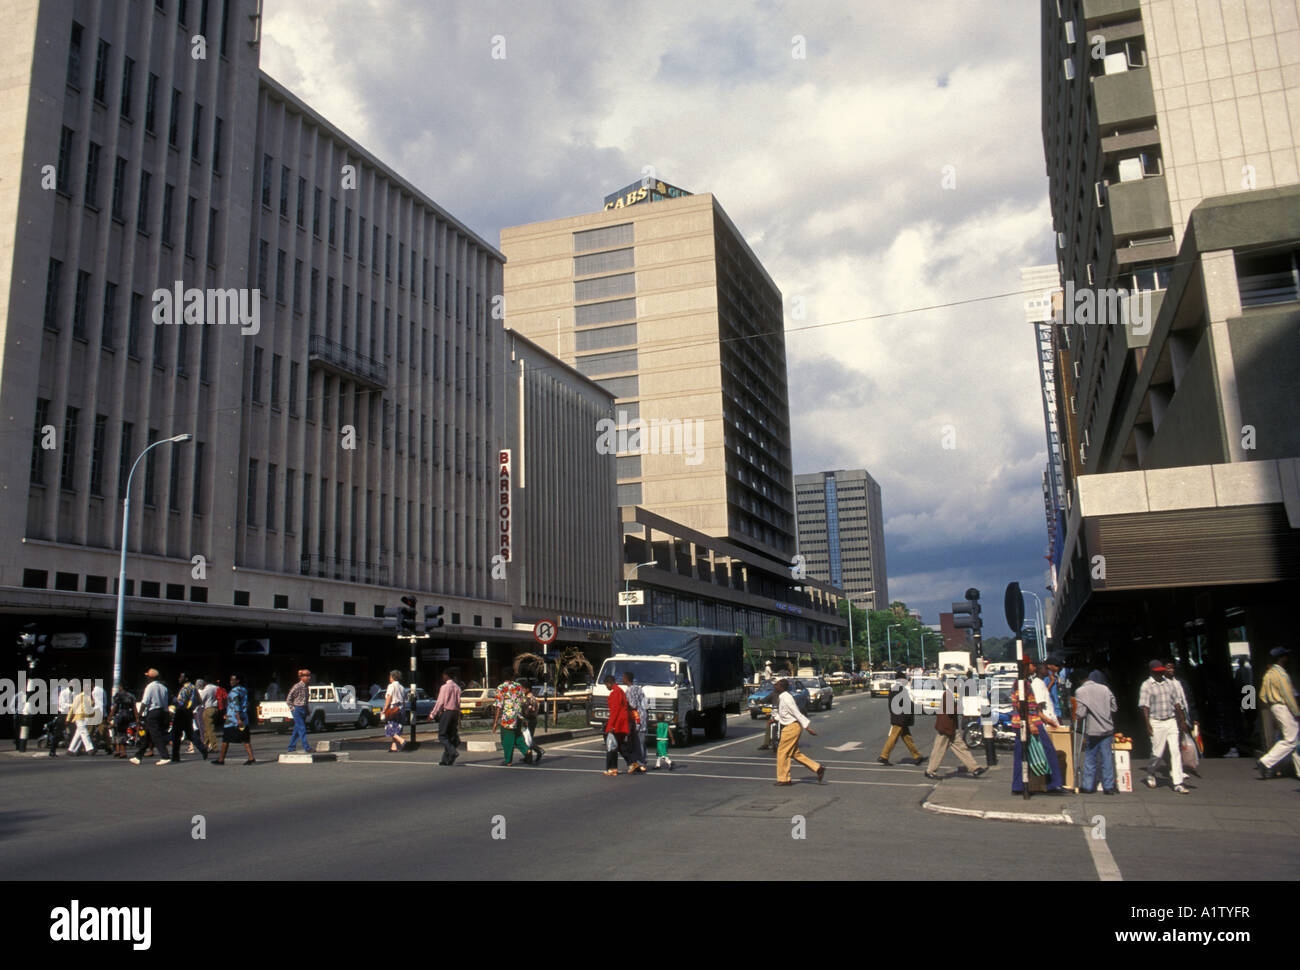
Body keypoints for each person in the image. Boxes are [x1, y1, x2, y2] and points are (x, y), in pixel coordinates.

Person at [1010, 658, 1064, 794]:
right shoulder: (1022, 684)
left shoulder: (1025, 682)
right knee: (1048, 750)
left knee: (1021, 754)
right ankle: (1054, 783)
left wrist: (1047, 719)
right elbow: (1020, 705)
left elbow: (1032, 706)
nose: (1035, 668)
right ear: (1026, 666)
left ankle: (1018, 786)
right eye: (1033, 665)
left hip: (1025, 721)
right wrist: (1030, 723)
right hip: (1029, 722)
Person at [1139, 659, 1189, 794]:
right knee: (1157, 752)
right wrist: (1148, 725)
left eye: (1161, 672)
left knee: (1175, 751)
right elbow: (1145, 707)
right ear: (1151, 672)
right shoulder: (1146, 685)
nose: (1159, 675)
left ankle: (1178, 782)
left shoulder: (1169, 684)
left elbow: (1177, 703)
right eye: (1156, 673)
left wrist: (1182, 721)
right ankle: (1151, 772)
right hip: (1156, 721)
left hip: (1171, 720)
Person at [1256, 647, 1299, 780]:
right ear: (1281, 658)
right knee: (1291, 740)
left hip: (1274, 707)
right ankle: (1266, 761)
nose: (1287, 658)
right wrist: (1296, 711)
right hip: (1283, 706)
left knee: (1294, 739)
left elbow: (1262, 695)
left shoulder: (1269, 674)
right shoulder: (1281, 674)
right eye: (1285, 656)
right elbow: (1288, 695)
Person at [926, 685, 984, 779]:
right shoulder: (948, 695)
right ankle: (930, 770)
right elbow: (950, 711)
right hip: (946, 728)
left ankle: (974, 768)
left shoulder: (950, 695)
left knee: (961, 748)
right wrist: (960, 708)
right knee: (939, 750)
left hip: (950, 728)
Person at [1074, 669, 1118, 794]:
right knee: (1107, 758)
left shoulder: (1080, 691)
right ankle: (1108, 786)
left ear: (1079, 680)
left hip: (1093, 729)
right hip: (1107, 728)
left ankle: (1088, 786)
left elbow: (1081, 713)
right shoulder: (1104, 689)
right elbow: (1114, 707)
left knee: (1090, 758)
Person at [772, 679, 823, 786]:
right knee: (794, 753)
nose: (774, 686)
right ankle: (818, 768)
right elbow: (785, 714)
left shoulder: (786, 697)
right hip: (790, 727)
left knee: (782, 752)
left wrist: (806, 726)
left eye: (776, 684)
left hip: (791, 728)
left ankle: (784, 779)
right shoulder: (783, 696)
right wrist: (775, 718)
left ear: (781, 687)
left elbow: (796, 712)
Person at [878, 669, 923, 766]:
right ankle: (884, 755)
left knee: (907, 737)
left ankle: (917, 756)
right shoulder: (901, 690)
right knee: (893, 737)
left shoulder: (893, 689)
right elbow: (908, 704)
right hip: (901, 718)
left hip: (897, 717)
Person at [492, 669, 534, 766]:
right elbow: (524, 702)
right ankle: (527, 751)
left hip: (507, 717)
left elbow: (498, 706)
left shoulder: (501, 688)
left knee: (507, 740)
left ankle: (508, 760)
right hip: (518, 716)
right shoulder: (518, 686)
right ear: (512, 676)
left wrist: (495, 722)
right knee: (517, 736)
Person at [212, 673, 255, 765]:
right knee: (245, 738)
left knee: (226, 739)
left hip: (233, 720)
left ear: (237, 681)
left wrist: (238, 718)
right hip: (244, 717)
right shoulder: (243, 689)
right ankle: (251, 758)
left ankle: (221, 759)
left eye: (233, 680)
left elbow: (236, 705)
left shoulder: (234, 692)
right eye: (230, 680)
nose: (231, 682)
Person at [130, 669, 171, 765]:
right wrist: (167, 715)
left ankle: (165, 756)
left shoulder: (150, 687)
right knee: (147, 735)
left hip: (153, 712)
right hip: (162, 712)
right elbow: (165, 704)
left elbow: (145, 701)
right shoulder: (163, 687)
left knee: (156, 735)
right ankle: (138, 756)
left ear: (150, 677)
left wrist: (139, 714)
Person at [428, 667, 462, 765]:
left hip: (447, 712)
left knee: (442, 735)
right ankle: (446, 760)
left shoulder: (444, 687)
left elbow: (440, 702)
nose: (442, 677)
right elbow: (459, 702)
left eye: (443, 675)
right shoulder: (457, 687)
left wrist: (432, 714)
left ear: (447, 676)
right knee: (450, 736)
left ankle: (452, 752)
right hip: (455, 713)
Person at [170, 673, 208, 762]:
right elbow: (199, 701)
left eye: (181, 677)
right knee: (190, 733)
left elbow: (181, 702)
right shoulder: (193, 688)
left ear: (186, 678)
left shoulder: (185, 689)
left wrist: (173, 699)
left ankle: (175, 756)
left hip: (181, 711)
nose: (179, 679)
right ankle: (202, 748)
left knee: (176, 734)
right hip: (189, 712)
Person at [601, 674, 631, 776]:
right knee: (619, 745)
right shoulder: (620, 691)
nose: (607, 687)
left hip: (616, 724)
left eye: (606, 685)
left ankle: (611, 768)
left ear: (609, 683)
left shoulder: (615, 693)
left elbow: (614, 711)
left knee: (611, 747)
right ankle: (631, 763)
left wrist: (610, 726)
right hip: (621, 723)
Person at [622, 671, 647, 773]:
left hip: (635, 717)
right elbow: (644, 702)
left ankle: (640, 763)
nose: (622, 679)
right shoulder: (639, 688)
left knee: (636, 741)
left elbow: (632, 705)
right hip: (643, 715)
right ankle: (643, 762)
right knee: (641, 741)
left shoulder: (629, 690)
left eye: (623, 678)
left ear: (627, 679)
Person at [285, 668, 312, 754]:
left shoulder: (307, 687)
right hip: (297, 709)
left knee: (297, 729)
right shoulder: (297, 686)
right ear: (301, 677)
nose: (309, 677)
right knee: (302, 728)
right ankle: (306, 747)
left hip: (303, 708)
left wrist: (307, 709)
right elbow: (288, 699)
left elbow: (306, 699)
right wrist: (293, 709)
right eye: (306, 676)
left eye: (309, 675)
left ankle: (291, 747)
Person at [519, 679, 545, 765]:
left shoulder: (528, 699)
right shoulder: (534, 698)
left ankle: (538, 750)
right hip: (532, 720)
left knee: (526, 739)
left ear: (527, 689)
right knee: (528, 738)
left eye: (523, 689)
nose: (521, 691)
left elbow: (527, 711)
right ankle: (528, 755)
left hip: (528, 720)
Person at [382, 670, 408, 753]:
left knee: (389, 727)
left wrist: (384, 709)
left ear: (392, 677)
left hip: (393, 708)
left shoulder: (391, 686)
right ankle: (394, 747)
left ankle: (402, 741)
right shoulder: (402, 687)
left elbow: (389, 697)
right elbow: (404, 700)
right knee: (396, 727)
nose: (389, 678)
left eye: (390, 676)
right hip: (401, 709)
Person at [65, 683, 95, 756]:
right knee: (84, 733)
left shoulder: (90, 697)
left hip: (87, 718)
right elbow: (72, 708)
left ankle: (71, 750)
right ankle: (90, 748)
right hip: (79, 717)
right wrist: (68, 719)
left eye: (91, 688)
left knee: (78, 734)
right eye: (88, 687)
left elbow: (91, 708)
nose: (90, 689)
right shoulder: (79, 696)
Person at [48, 679, 73, 758]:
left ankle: (73, 749)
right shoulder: (63, 693)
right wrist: (71, 706)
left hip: (72, 714)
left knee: (74, 732)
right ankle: (52, 750)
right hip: (64, 714)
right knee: (58, 733)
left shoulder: (75, 693)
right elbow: (62, 704)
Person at [110, 685, 136, 759]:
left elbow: (115, 707)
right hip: (128, 716)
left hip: (119, 716)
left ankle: (122, 751)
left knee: (118, 733)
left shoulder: (118, 695)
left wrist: (110, 716)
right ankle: (118, 751)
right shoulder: (131, 696)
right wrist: (137, 717)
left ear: (121, 687)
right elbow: (134, 707)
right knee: (123, 732)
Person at [197, 678, 220, 752]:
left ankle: (214, 747)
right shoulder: (217, 688)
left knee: (210, 729)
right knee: (207, 729)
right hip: (217, 709)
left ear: (205, 682)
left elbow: (201, 700)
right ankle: (205, 745)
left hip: (208, 708)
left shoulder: (207, 689)